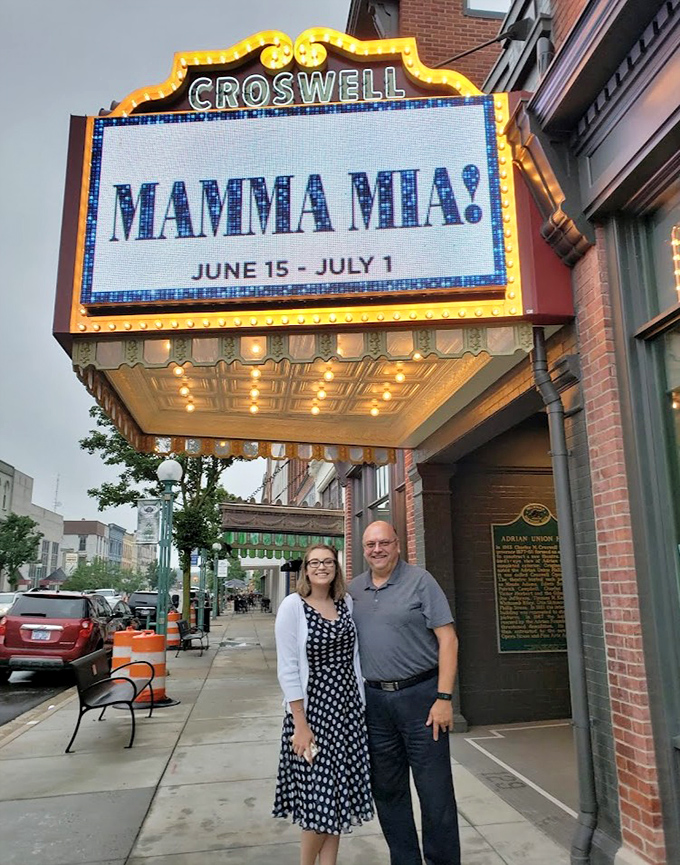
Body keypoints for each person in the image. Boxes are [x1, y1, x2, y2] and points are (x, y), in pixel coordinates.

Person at [348, 520, 461, 865]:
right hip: (376, 704)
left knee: (435, 792)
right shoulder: (353, 590)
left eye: (384, 542)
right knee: (388, 790)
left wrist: (444, 699)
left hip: (422, 699)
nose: (377, 549)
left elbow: (448, 639)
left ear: (398, 545)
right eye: (370, 544)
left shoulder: (420, 581)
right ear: (364, 550)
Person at [273, 544, 374, 865]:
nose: (321, 567)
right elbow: (287, 666)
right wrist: (300, 725)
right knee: (319, 798)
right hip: (312, 713)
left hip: (345, 712)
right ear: (306, 569)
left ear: (336, 568)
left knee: (335, 797)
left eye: (328, 562)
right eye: (315, 563)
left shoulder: (345, 603)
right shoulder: (293, 606)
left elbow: (354, 656)